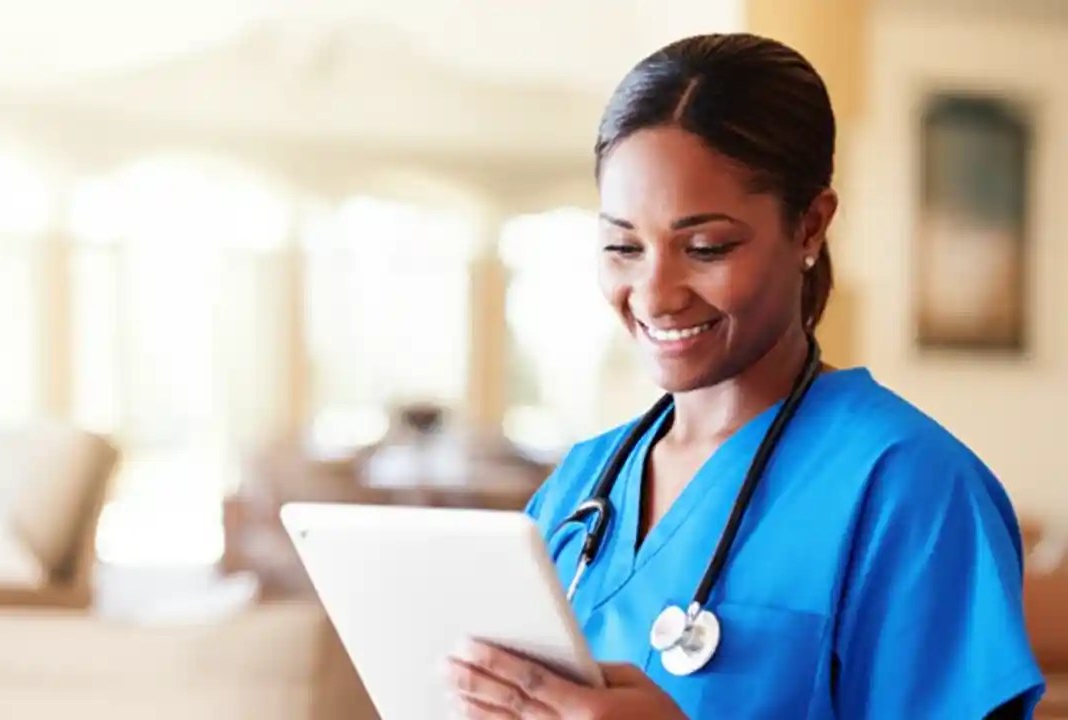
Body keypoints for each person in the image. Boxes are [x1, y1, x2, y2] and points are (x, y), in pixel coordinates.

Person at [446, 32, 1044, 719]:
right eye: (622, 247)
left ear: (811, 226)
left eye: (705, 248)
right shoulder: (577, 489)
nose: (654, 293)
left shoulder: (912, 489)